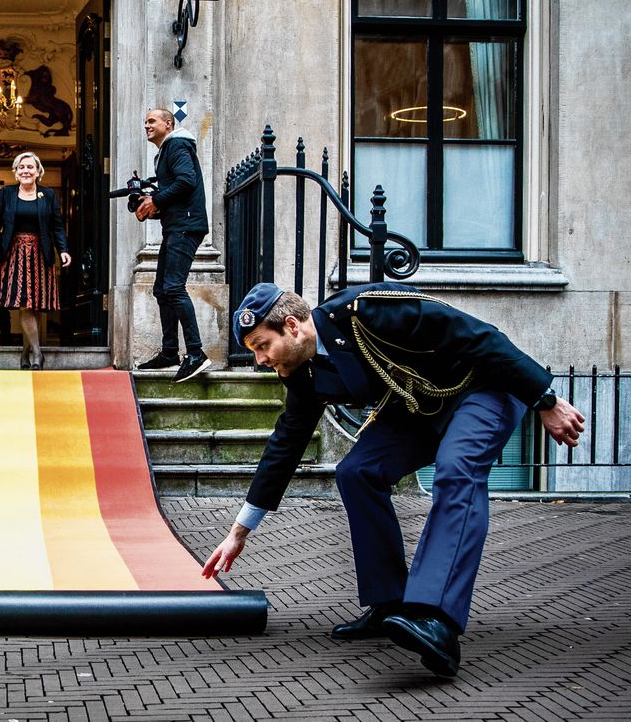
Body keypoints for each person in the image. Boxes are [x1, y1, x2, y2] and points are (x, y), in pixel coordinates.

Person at [203, 282, 586, 677]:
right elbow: (286, 443)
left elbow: (477, 335)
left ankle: (436, 618)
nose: (260, 359)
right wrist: (239, 531)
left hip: (483, 387)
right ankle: (390, 603)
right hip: (420, 406)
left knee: (457, 471)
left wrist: (546, 399)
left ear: (293, 326)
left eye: (262, 345)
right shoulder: (304, 372)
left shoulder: (366, 312)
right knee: (357, 473)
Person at [134, 108, 212, 383]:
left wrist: (156, 201)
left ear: (169, 123)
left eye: (152, 121)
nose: (147, 126)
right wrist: (154, 205)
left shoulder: (177, 144)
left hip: (186, 226)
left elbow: (186, 181)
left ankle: (196, 353)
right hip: (177, 226)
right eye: (145, 122)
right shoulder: (168, 149)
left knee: (173, 287)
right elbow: (179, 188)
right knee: (162, 289)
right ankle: (169, 352)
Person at [0, 152, 71, 369]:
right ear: (15, 172)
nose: (25, 171)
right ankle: (37, 353)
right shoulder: (6, 194)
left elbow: (57, 225)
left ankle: (26, 354)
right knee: (24, 303)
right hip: (14, 254)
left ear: (38, 171)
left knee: (34, 305)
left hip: (40, 254)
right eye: (21, 167)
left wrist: (63, 250)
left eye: (30, 167)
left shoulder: (48, 195)